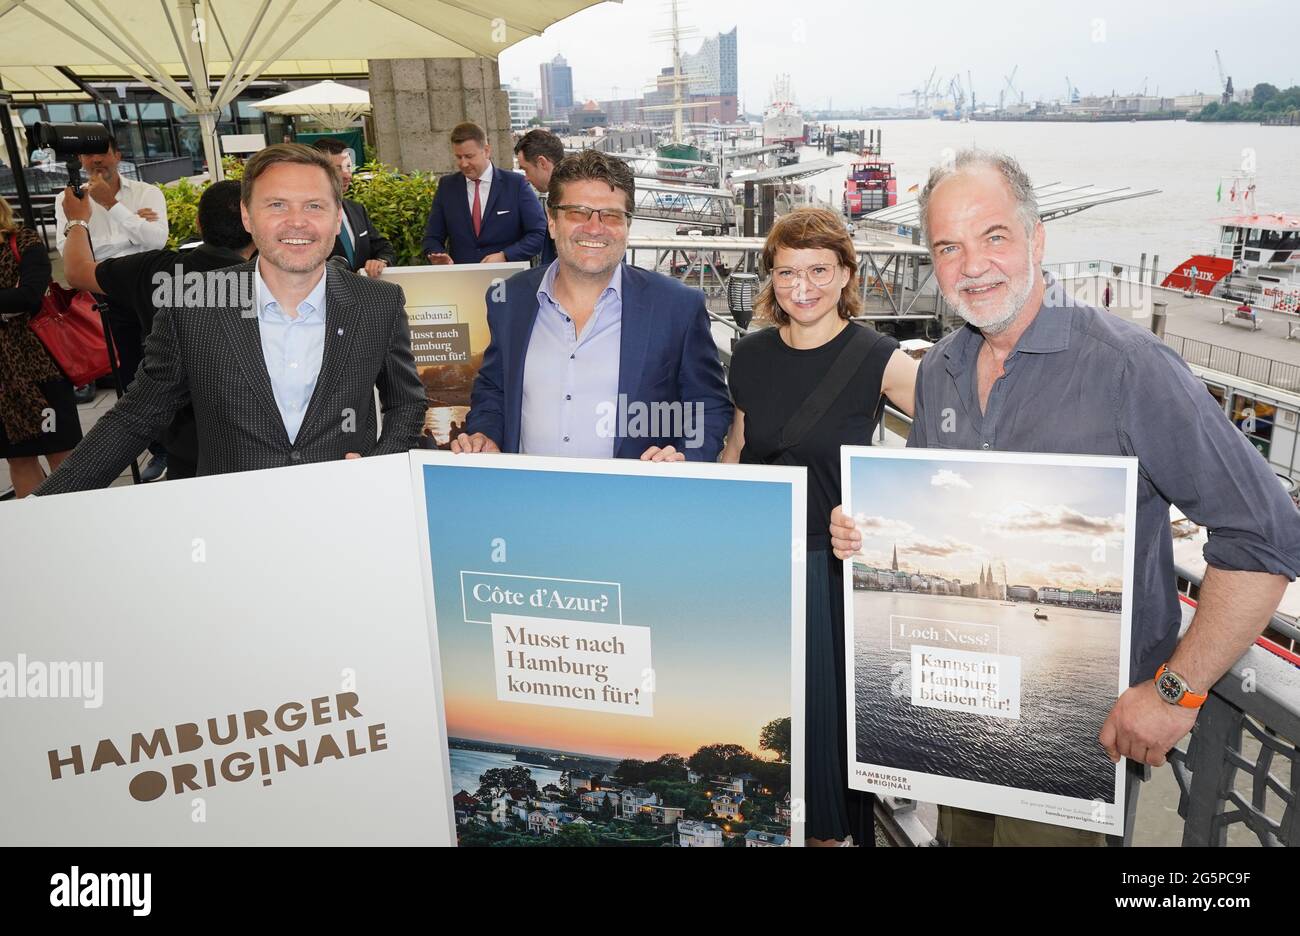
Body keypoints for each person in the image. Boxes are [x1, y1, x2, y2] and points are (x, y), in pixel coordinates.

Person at [829, 149, 1300, 846]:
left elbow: (1266, 537)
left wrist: (1176, 692)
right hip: (962, 718)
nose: (972, 266)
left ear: (1037, 239)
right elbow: (941, 510)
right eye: (948, 247)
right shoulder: (942, 371)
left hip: (1079, 746)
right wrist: (864, 528)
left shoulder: (1128, 369)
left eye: (994, 237)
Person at [36, 143, 427, 495]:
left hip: (345, 506)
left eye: (314, 205)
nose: (297, 221)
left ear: (337, 216)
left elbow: (406, 404)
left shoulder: (379, 303)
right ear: (247, 215)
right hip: (230, 518)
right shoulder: (192, 304)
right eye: (276, 205)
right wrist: (43, 505)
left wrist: (380, 467)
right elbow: (138, 414)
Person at [721, 207, 917, 846]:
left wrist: (884, 518)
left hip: (829, 574)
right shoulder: (747, 356)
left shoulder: (879, 358)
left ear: (845, 275)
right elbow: (739, 450)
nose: (801, 287)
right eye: (786, 272)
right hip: (758, 564)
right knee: (768, 727)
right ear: (769, 278)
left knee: (824, 734)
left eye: (817, 270)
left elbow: (954, 441)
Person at [451, 149, 731, 462]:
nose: (595, 228)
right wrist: (485, 434)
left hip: (635, 502)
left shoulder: (677, 307)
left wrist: (685, 455)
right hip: (529, 499)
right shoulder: (509, 300)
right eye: (577, 212)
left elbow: (707, 405)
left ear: (628, 226)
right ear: (552, 221)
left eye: (611, 215)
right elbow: (494, 388)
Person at [60, 180, 256, 480]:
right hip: (254, 441)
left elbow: (76, 271)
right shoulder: (271, 280)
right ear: (252, 225)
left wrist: (77, 219)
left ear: (198, 223)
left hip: (181, 441)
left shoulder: (154, 270)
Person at [54, 133, 171, 479]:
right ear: (80, 161)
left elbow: (156, 241)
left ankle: (174, 443)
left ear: (117, 155)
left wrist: (113, 207)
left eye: (101, 153)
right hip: (106, 296)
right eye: (87, 156)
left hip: (151, 293)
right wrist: (133, 228)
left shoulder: (146, 193)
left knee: (164, 366)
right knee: (130, 374)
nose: (94, 161)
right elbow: (73, 256)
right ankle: (159, 449)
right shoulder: (70, 201)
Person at [0, 195, 82, 496]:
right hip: (3, 384)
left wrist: (15, 300)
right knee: (19, 458)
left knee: (61, 452)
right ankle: (36, 532)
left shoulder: (24, 242)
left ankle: (78, 524)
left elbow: (29, 296)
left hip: (40, 366)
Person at [421, 122, 547, 265]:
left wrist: (506, 255)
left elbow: (539, 233)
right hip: (461, 280)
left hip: (508, 279)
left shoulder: (516, 184)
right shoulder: (447, 187)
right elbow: (431, 238)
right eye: (458, 157)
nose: (463, 163)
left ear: (486, 151)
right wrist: (438, 255)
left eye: (469, 156)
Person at [310, 137, 396, 276]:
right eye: (337, 168)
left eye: (348, 167)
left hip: (361, 293)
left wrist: (381, 261)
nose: (347, 175)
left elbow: (382, 246)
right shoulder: (304, 216)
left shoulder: (356, 209)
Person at [513, 128, 566, 266]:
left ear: (542, 163)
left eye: (526, 169)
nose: (526, 178)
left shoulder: (570, 200)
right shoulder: (555, 198)